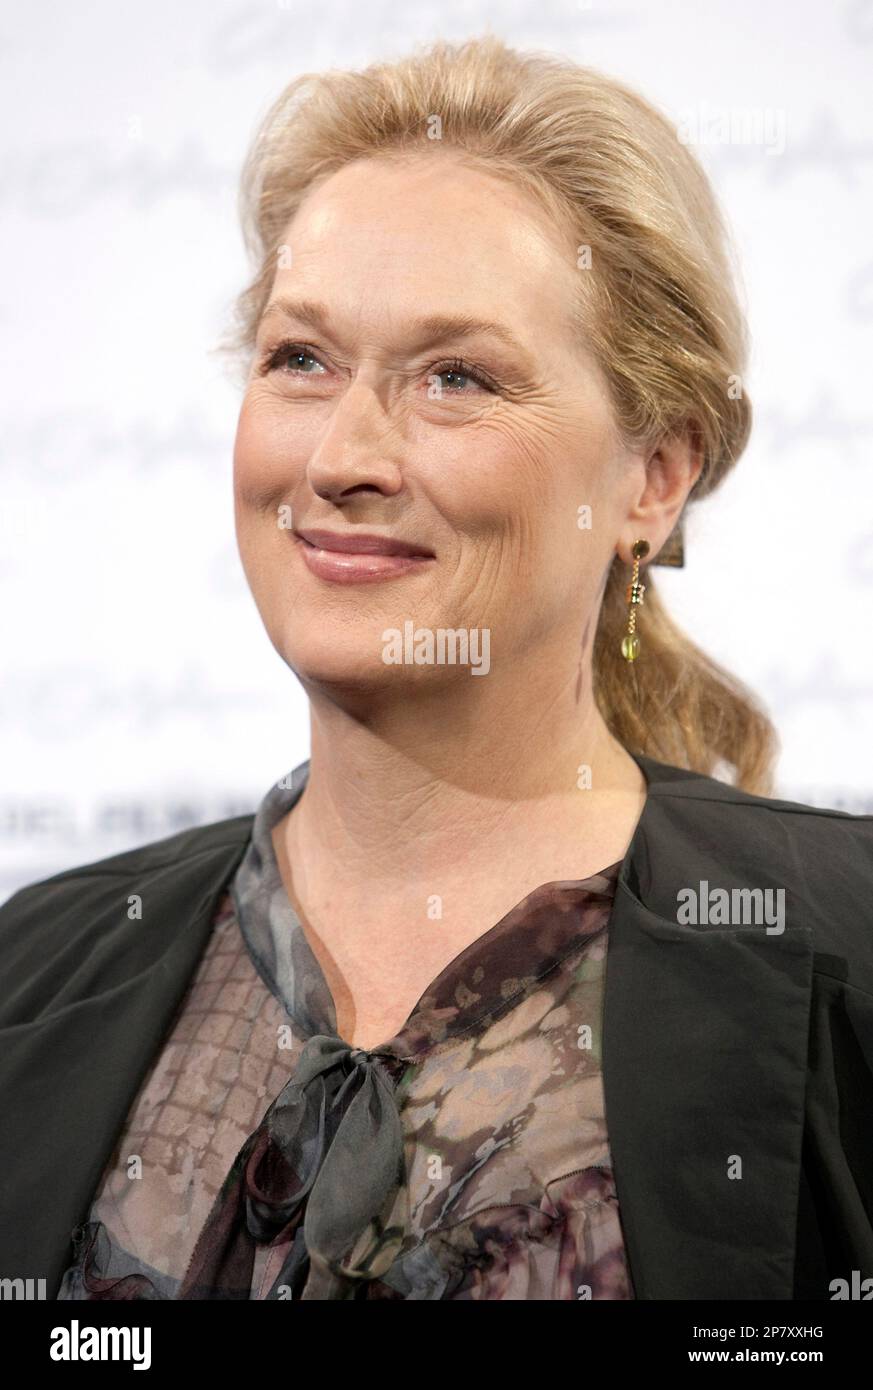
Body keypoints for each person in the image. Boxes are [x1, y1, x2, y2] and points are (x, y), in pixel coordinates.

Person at [1, 35, 870, 1302]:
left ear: (655, 476)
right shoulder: (35, 977)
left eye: (456, 377)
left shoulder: (838, 964)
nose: (344, 454)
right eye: (301, 358)